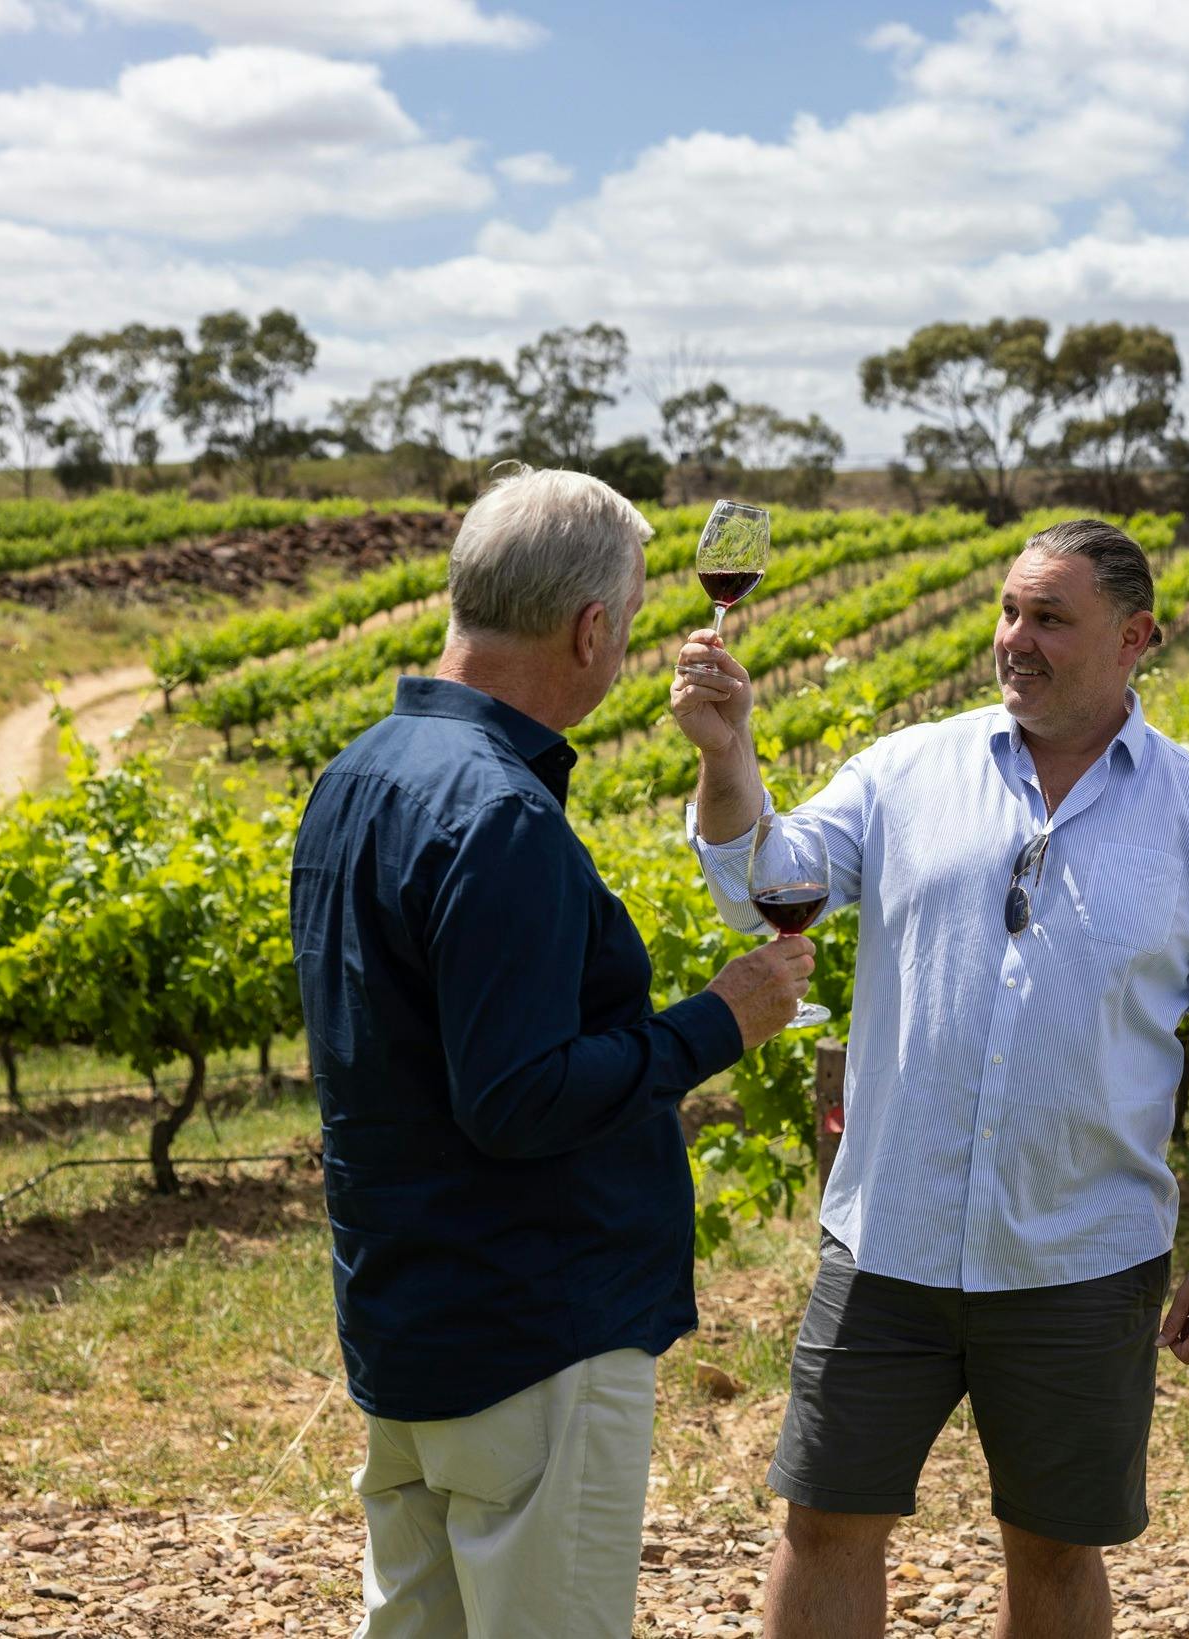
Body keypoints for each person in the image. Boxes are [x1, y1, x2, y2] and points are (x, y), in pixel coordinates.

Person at [668, 517, 1189, 1639]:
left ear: (1135, 637)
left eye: (1051, 617)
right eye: (1011, 610)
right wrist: (729, 757)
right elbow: (765, 881)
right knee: (822, 1524)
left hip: (1082, 1259)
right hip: (888, 1243)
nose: (1017, 638)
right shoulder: (911, 770)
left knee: (1058, 1550)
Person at [290, 466, 817, 1639]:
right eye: (625, 627)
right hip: (531, 1330)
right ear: (590, 631)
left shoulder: (358, 773)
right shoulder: (502, 815)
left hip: (407, 1317)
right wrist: (716, 1021)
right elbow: (517, 1098)